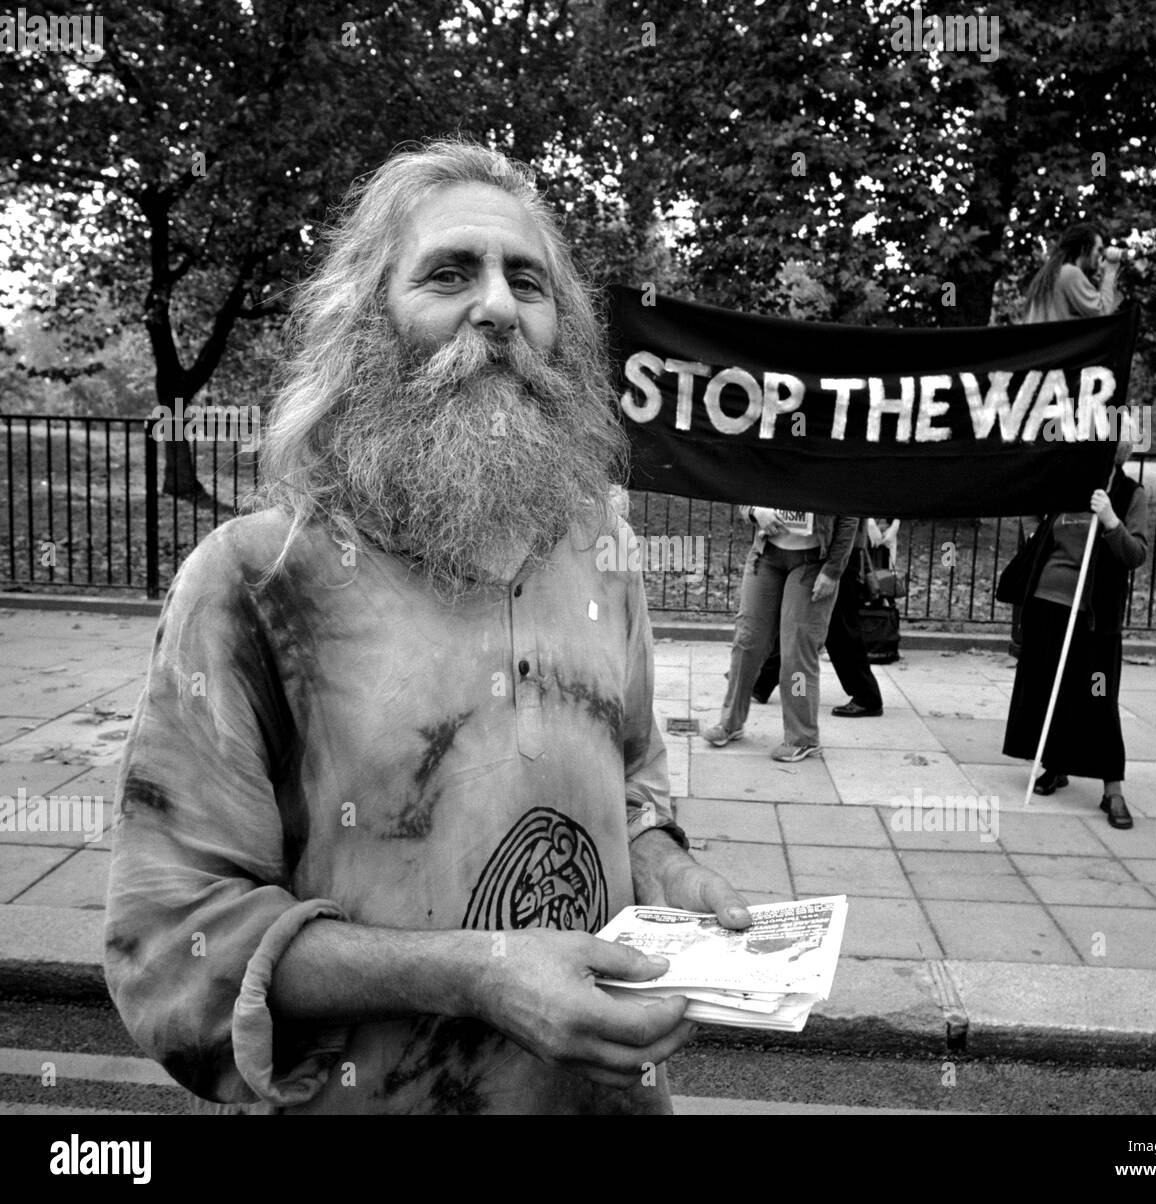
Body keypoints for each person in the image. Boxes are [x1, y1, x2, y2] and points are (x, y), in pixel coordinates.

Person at [104, 139, 752, 1116]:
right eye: (450, 272)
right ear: (368, 323)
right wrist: (480, 971)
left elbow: (633, 783)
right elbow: (170, 942)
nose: (496, 305)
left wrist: (669, 868)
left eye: (526, 281)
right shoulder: (253, 584)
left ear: (558, 331)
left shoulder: (599, 548)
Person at [1001, 438, 1147, 830]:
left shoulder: (1130, 494)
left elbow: (1135, 555)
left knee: (1099, 695)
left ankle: (1112, 788)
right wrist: (1034, 534)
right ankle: (1055, 764)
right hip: (1048, 603)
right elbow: (1029, 507)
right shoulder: (1068, 484)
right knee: (1049, 688)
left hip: (1094, 616)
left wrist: (1112, 521)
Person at [1010, 221, 1122, 657]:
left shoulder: (1046, 277)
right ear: (1083, 250)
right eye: (1098, 251)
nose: (1100, 258)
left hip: (1036, 388)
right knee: (1061, 480)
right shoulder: (1073, 275)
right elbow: (1104, 316)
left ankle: (1026, 618)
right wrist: (1111, 272)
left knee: (1035, 497)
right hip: (1059, 387)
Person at [702, 508, 857, 760]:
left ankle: (802, 736)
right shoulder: (769, 465)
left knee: (797, 654)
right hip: (766, 555)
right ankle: (729, 723)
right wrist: (755, 512)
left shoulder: (833, 468)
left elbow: (849, 515)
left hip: (814, 561)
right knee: (747, 642)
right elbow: (742, 488)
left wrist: (833, 570)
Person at [750, 517, 883, 717]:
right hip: (832, 548)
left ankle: (867, 696)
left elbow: (850, 515)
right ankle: (762, 683)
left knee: (840, 628)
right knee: (799, 623)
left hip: (839, 551)